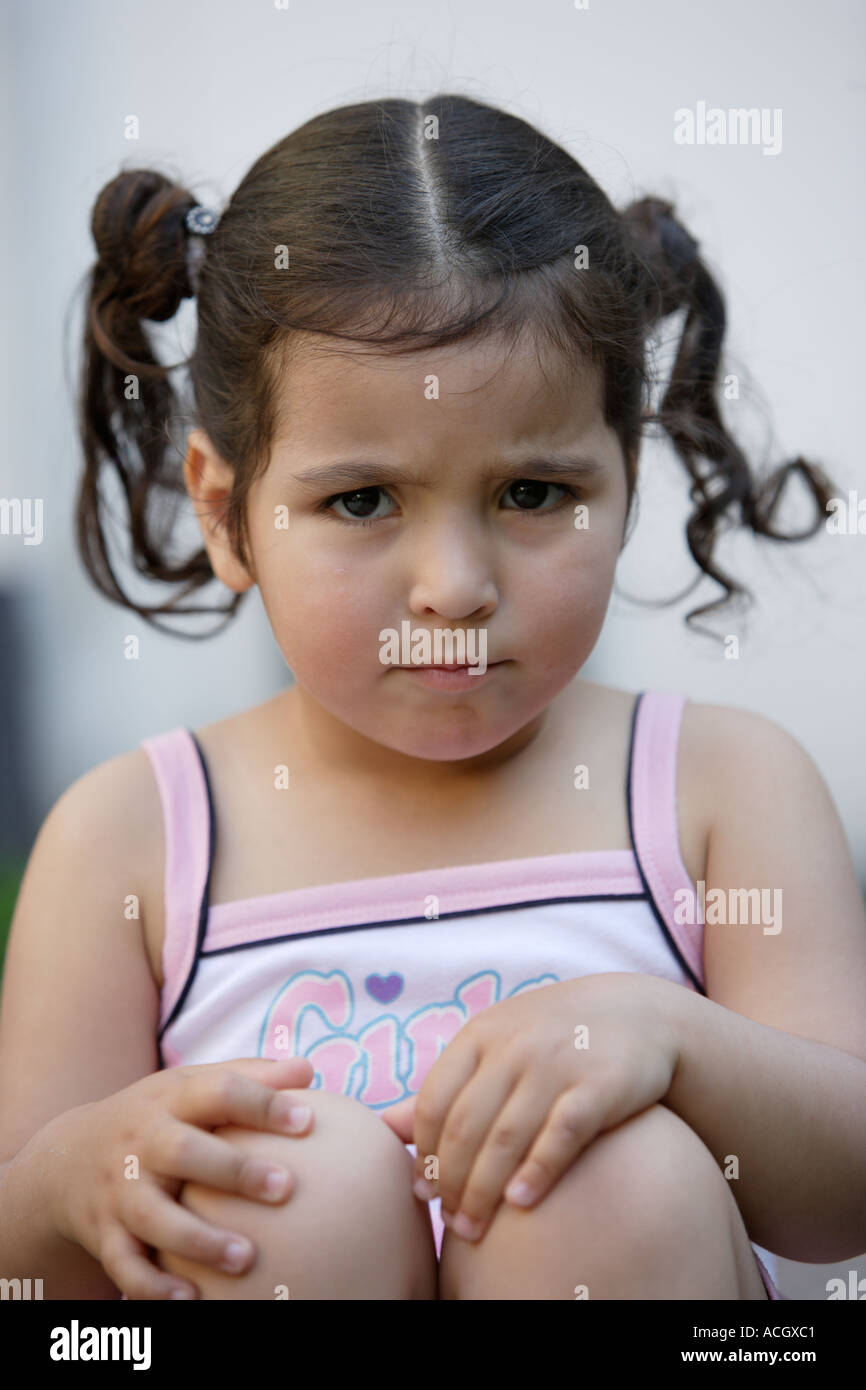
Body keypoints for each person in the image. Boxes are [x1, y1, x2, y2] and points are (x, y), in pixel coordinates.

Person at [2, 93, 865, 1303]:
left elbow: (844, 1195)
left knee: (595, 1183)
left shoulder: (720, 787)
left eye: (529, 494)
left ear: (625, 476)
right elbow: (29, 1273)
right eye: (360, 501)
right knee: (280, 1194)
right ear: (223, 510)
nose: (453, 588)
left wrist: (671, 1043)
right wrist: (72, 1188)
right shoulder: (128, 837)